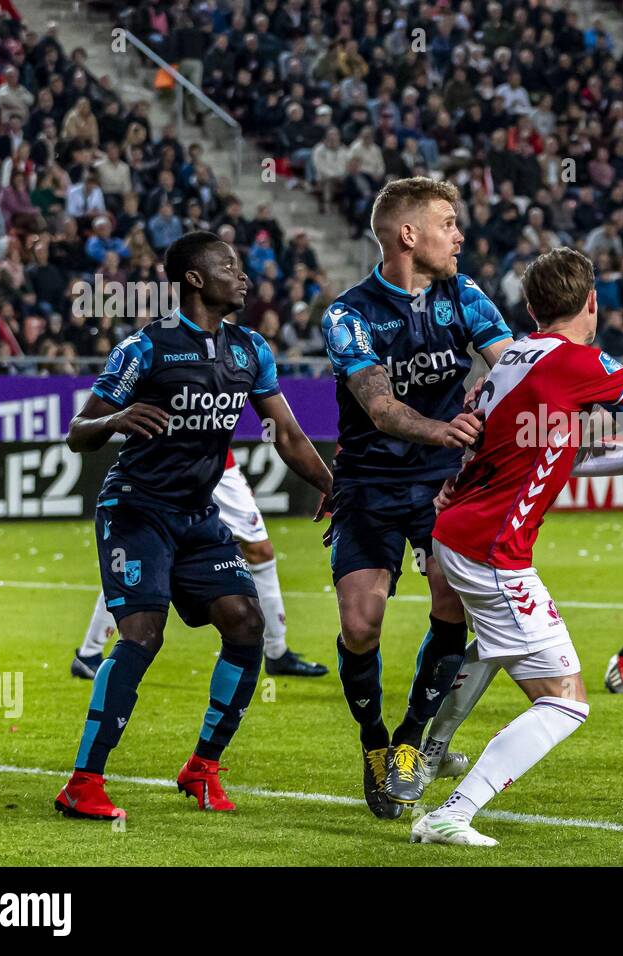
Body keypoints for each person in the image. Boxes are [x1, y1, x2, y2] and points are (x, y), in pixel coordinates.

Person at [411, 248, 623, 847]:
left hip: (457, 533)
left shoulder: (512, 357)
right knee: (566, 703)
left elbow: (566, 449)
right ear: (592, 304)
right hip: (493, 549)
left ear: (532, 307)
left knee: (489, 650)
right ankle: (451, 814)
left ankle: (429, 752)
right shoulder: (574, 363)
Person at [54, 232, 333, 820]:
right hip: (136, 508)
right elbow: (79, 432)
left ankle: (202, 769)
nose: (245, 275)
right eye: (229, 266)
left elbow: (285, 434)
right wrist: (121, 417)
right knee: (142, 634)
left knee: (245, 622)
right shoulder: (146, 347)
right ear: (197, 280)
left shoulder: (250, 349)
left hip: (199, 515)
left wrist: (335, 486)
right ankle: (83, 781)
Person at [320, 177, 512, 820]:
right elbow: (376, 406)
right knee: (359, 622)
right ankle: (374, 742)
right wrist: (445, 427)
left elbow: (512, 366)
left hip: (442, 485)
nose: (460, 235)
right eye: (448, 223)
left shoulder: (464, 294)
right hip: (369, 483)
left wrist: (501, 397)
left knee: (451, 606)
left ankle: (410, 742)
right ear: (409, 235)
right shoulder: (349, 315)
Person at [71, 446, 328, 681]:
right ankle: (90, 653)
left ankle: (276, 651)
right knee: (144, 558)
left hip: (215, 462)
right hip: (167, 465)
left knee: (259, 550)